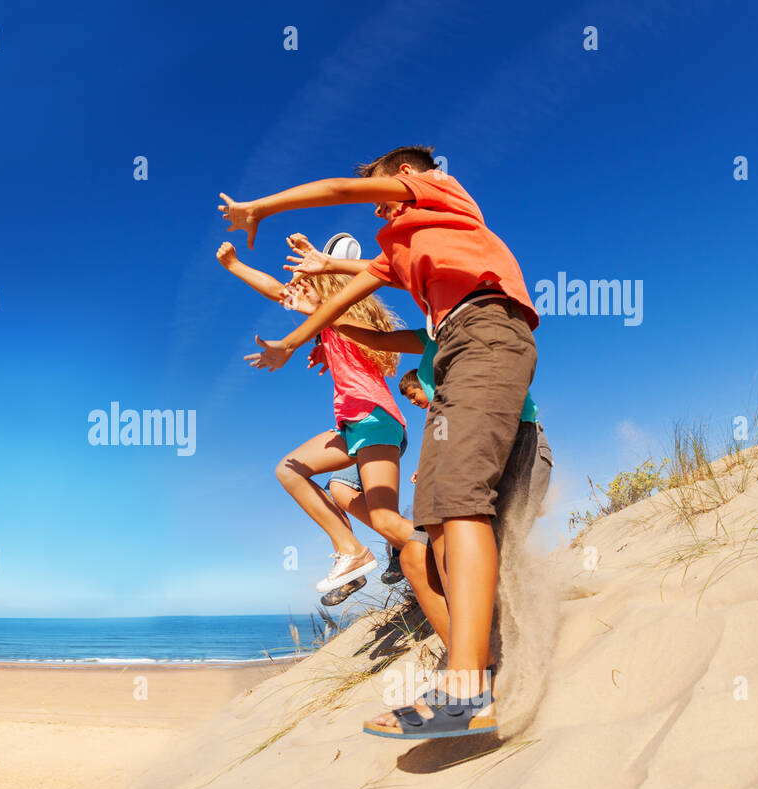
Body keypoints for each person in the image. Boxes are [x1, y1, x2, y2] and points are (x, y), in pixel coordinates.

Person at [221, 144, 539, 738]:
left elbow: (342, 191)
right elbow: (340, 302)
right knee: (439, 512)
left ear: (406, 176)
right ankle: (471, 671)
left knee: (459, 501)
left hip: (485, 331)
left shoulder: (442, 190)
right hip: (455, 351)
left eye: (380, 193)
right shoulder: (399, 254)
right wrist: (292, 342)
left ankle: (468, 690)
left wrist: (260, 208)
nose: (375, 209)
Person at [216, 239, 413, 595]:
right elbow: (281, 293)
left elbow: (312, 305)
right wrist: (235, 266)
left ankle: (418, 543)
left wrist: (314, 318)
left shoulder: (346, 308)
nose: (303, 279)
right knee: (292, 470)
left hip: (375, 419)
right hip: (355, 424)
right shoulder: (329, 319)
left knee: (385, 516)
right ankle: (352, 550)